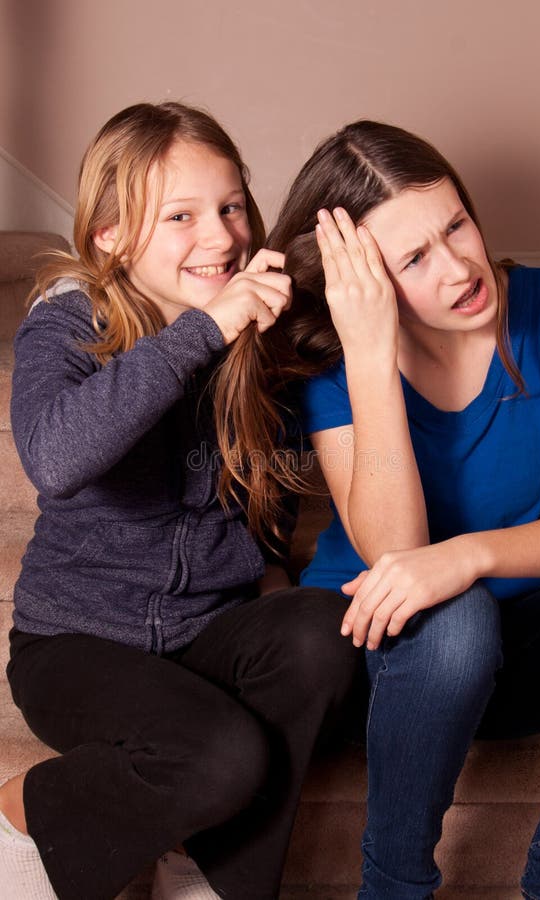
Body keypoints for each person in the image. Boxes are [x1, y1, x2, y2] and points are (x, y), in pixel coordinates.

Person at [0, 101, 361, 900]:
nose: (222, 236)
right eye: (182, 216)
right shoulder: (67, 326)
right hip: (76, 645)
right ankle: (25, 808)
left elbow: (261, 497)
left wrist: (275, 606)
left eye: (231, 207)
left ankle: (201, 868)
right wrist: (203, 328)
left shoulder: (256, 339)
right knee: (223, 755)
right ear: (111, 236)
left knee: (322, 631)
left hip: (207, 639)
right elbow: (56, 458)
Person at [247, 120, 540, 899]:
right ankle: (392, 887)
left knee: (481, 597)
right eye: (413, 259)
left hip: (532, 656)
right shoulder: (341, 366)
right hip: (402, 672)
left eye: (455, 225)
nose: (459, 266)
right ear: (364, 285)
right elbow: (395, 548)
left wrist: (470, 553)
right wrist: (371, 349)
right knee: (457, 621)